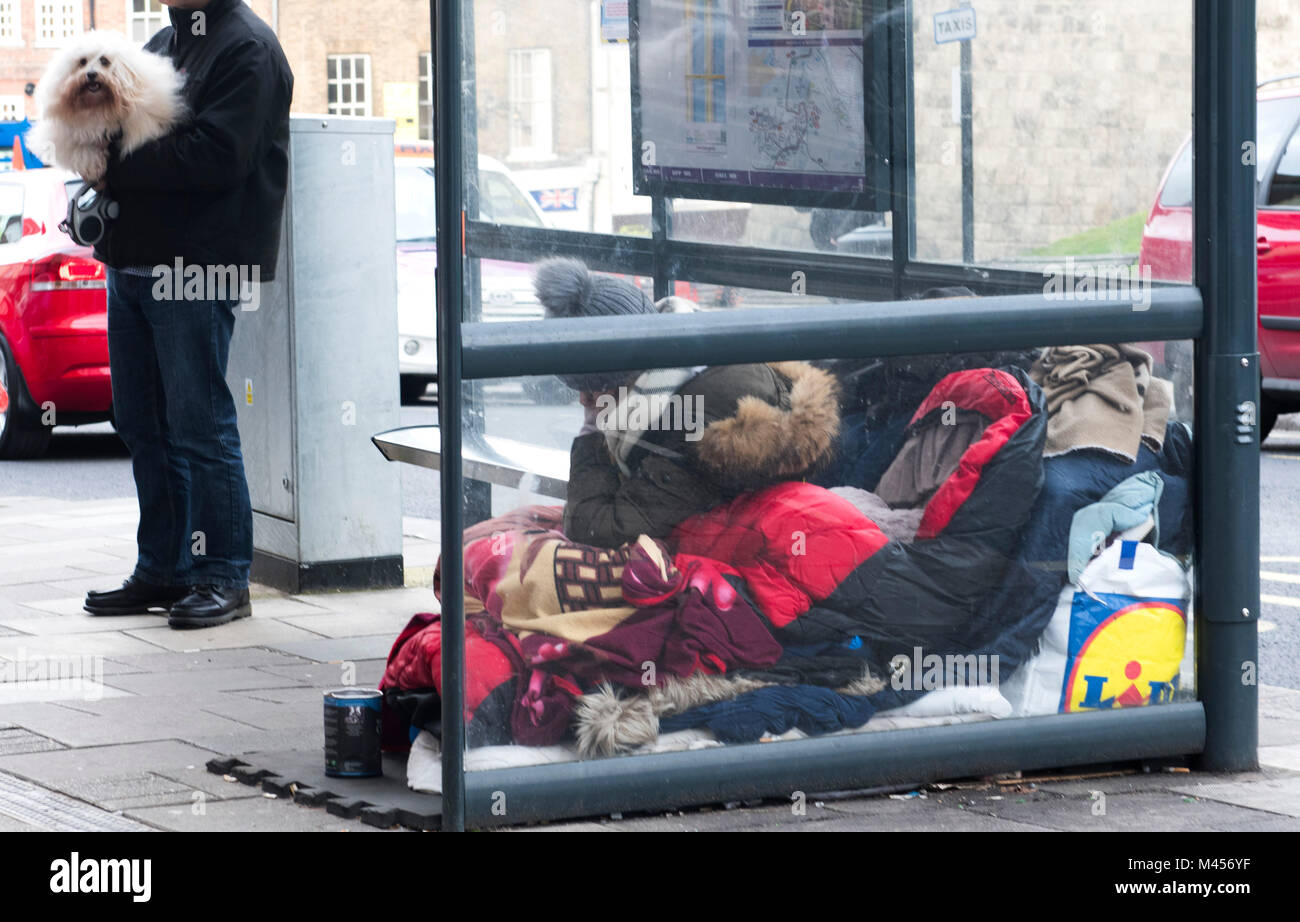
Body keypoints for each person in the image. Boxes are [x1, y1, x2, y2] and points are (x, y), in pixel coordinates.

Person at [82, 0, 293, 628]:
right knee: (142, 422)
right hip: (135, 262)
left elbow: (215, 157)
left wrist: (111, 168)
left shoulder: (247, 47)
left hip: (195, 266)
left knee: (199, 424)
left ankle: (223, 575)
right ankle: (165, 568)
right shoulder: (167, 40)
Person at [532, 258, 841, 548]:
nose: (583, 401)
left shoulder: (691, 424)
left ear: (622, 377)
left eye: (590, 390)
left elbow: (594, 530)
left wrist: (592, 435)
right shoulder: (691, 357)